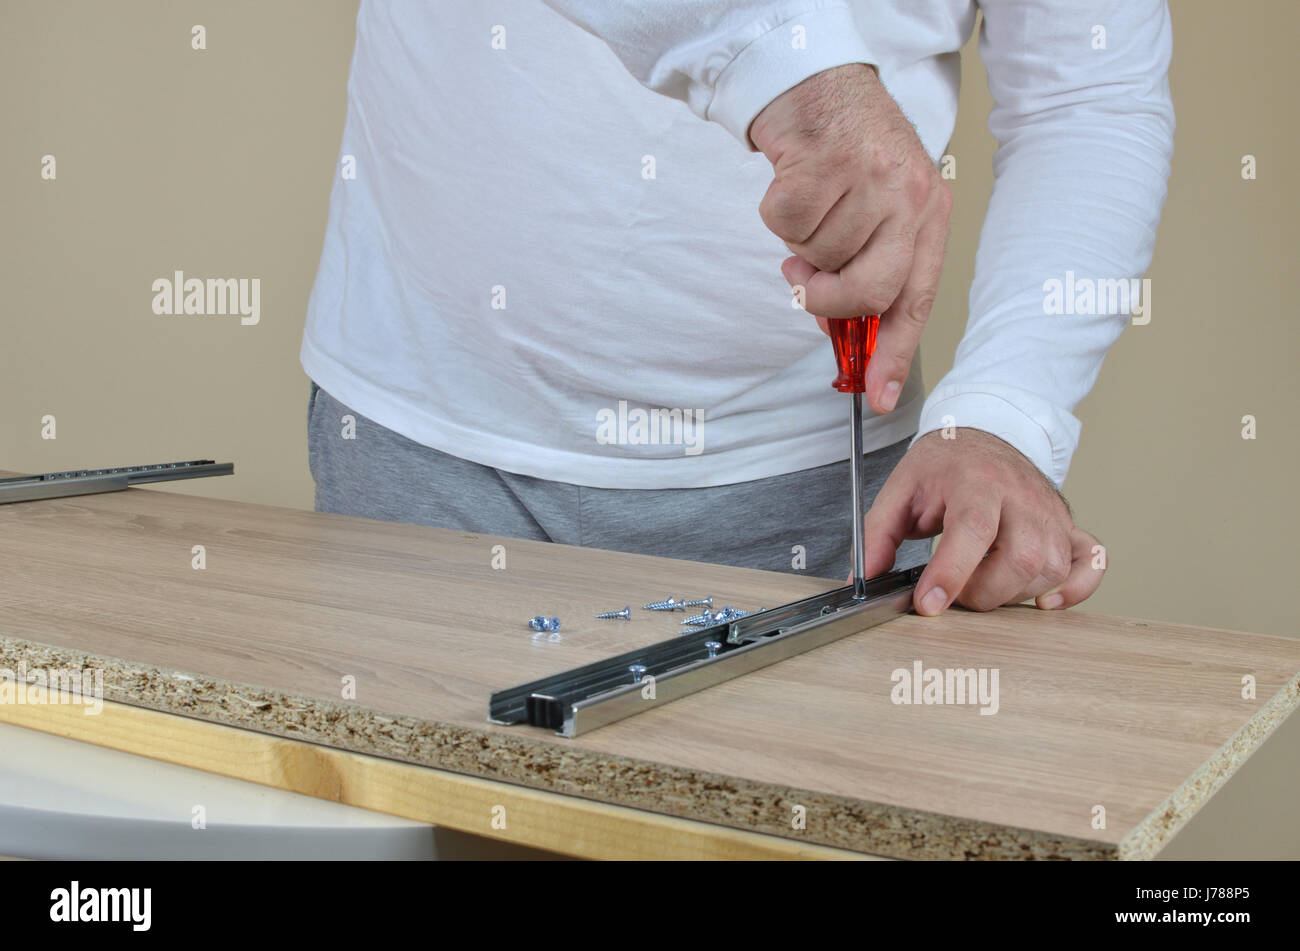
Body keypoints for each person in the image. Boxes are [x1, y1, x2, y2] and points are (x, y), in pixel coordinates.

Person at [302, 0, 1173, 616]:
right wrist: (781, 61)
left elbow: (1086, 101)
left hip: (833, 496)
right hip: (425, 444)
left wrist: (1004, 413)